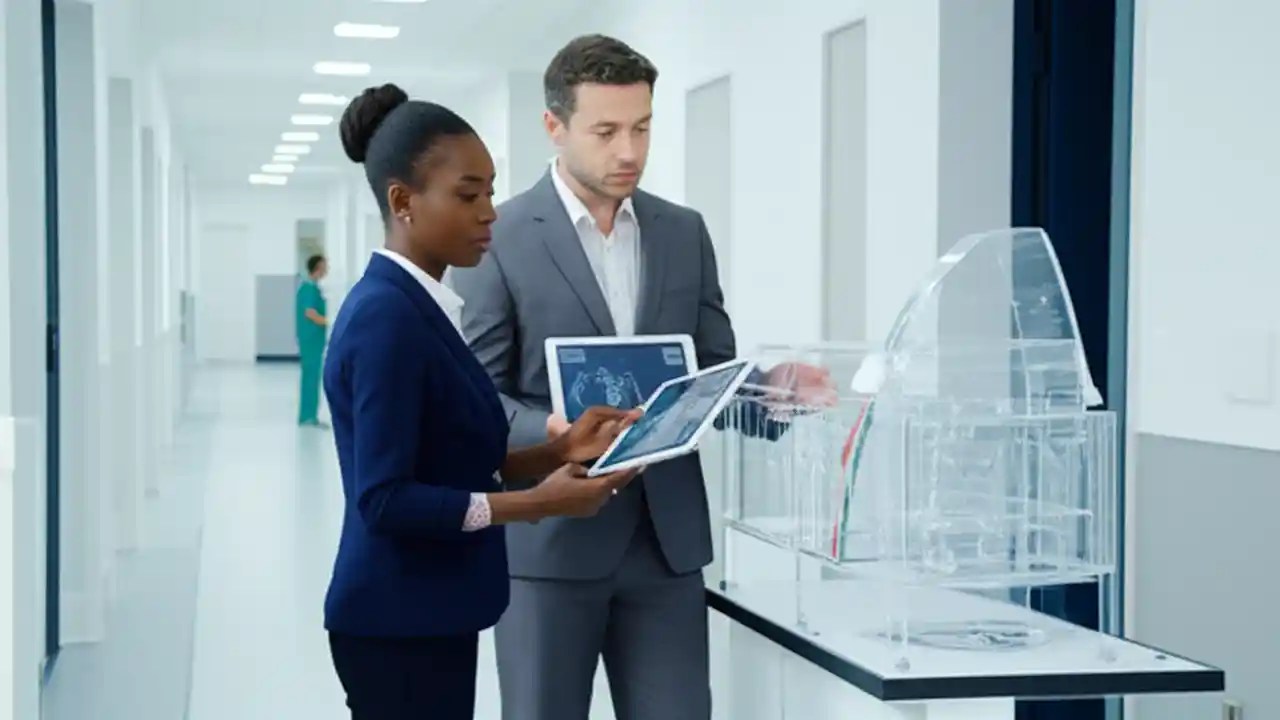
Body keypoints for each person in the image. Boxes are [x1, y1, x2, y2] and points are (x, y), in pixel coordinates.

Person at [449, 34, 833, 720]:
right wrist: (556, 433)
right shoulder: (498, 238)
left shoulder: (683, 232)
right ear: (554, 127)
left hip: (665, 545)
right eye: (606, 132)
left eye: (643, 127)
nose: (629, 150)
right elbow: (475, 401)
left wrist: (772, 390)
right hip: (550, 541)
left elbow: (711, 372)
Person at [322, 82, 644, 720]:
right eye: (468, 196)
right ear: (403, 202)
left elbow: (448, 460)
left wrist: (557, 450)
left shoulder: (426, 308)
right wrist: (537, 504)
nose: (489, 212)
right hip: (396, 623)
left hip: (434, 610)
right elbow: (385, 499)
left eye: (491, 192)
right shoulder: (386, 318)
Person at [296, 253, 328, 427]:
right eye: (324, 266)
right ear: (318, 267)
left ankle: (309, 415)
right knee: (310, 378)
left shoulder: (312, 287)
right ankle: (308, 416)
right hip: (310, 340)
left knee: (311, 377)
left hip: (312, 340)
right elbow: (310, 313)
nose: (327, 269)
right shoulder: (309, 288)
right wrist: (329, 322)